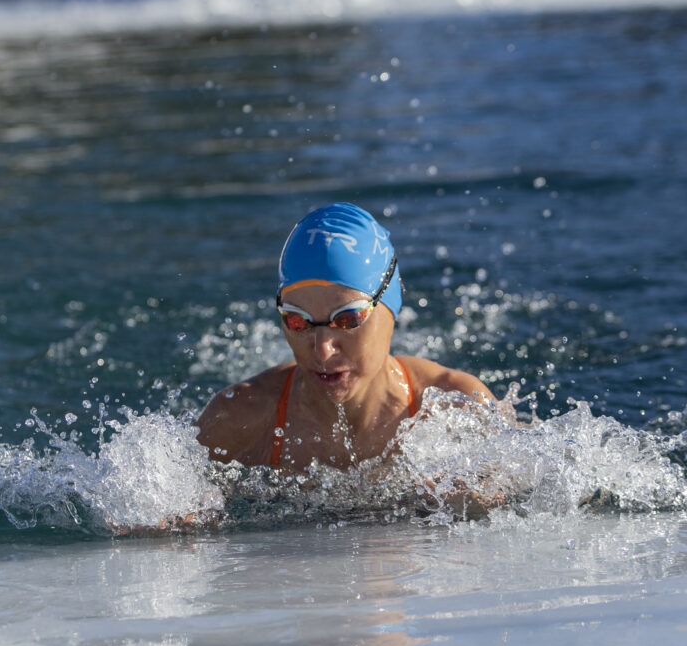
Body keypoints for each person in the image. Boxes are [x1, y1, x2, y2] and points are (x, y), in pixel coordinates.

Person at [195, 202, 497, 472]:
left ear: (390, 310)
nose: (323, 350)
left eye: (348, 319)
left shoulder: (458, 408)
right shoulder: (237, 421)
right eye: (298, 321)